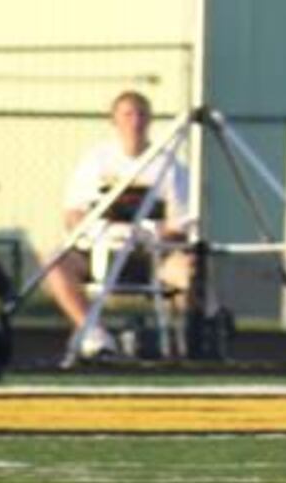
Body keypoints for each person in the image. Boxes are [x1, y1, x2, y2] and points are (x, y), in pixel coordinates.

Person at [43, 90, 195, 361]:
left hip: (150, 256)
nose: (134, 121)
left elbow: (179, 223)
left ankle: (193, 342)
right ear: (114, 120)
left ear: (150, 120)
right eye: (127, 114)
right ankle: (93, 333)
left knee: (193, 269)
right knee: (55, 261)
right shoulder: (96, 161)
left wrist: (151, 240)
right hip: (100, 252)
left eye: (141, 114)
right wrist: (92, 235)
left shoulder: (170, 166)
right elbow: (73, 212)